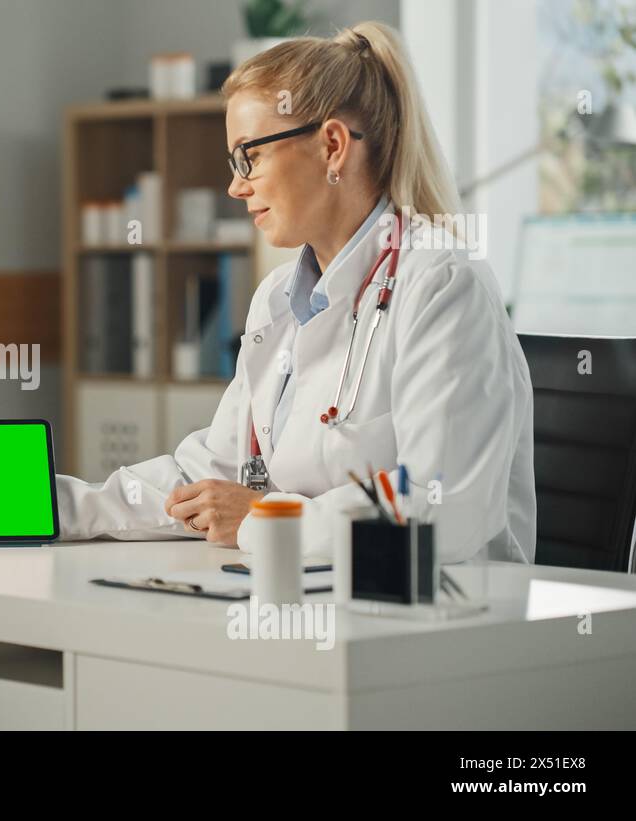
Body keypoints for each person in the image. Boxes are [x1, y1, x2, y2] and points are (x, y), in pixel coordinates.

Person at [55, 22, 535, 565]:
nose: (236, 186)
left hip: (445, 620)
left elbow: (443, 509)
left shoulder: (443, 287)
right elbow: (210, 476)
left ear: (332, 146)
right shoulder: (280, 298)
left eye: (248, 156)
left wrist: (263, 519)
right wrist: (62, 509)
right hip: (313, 594)